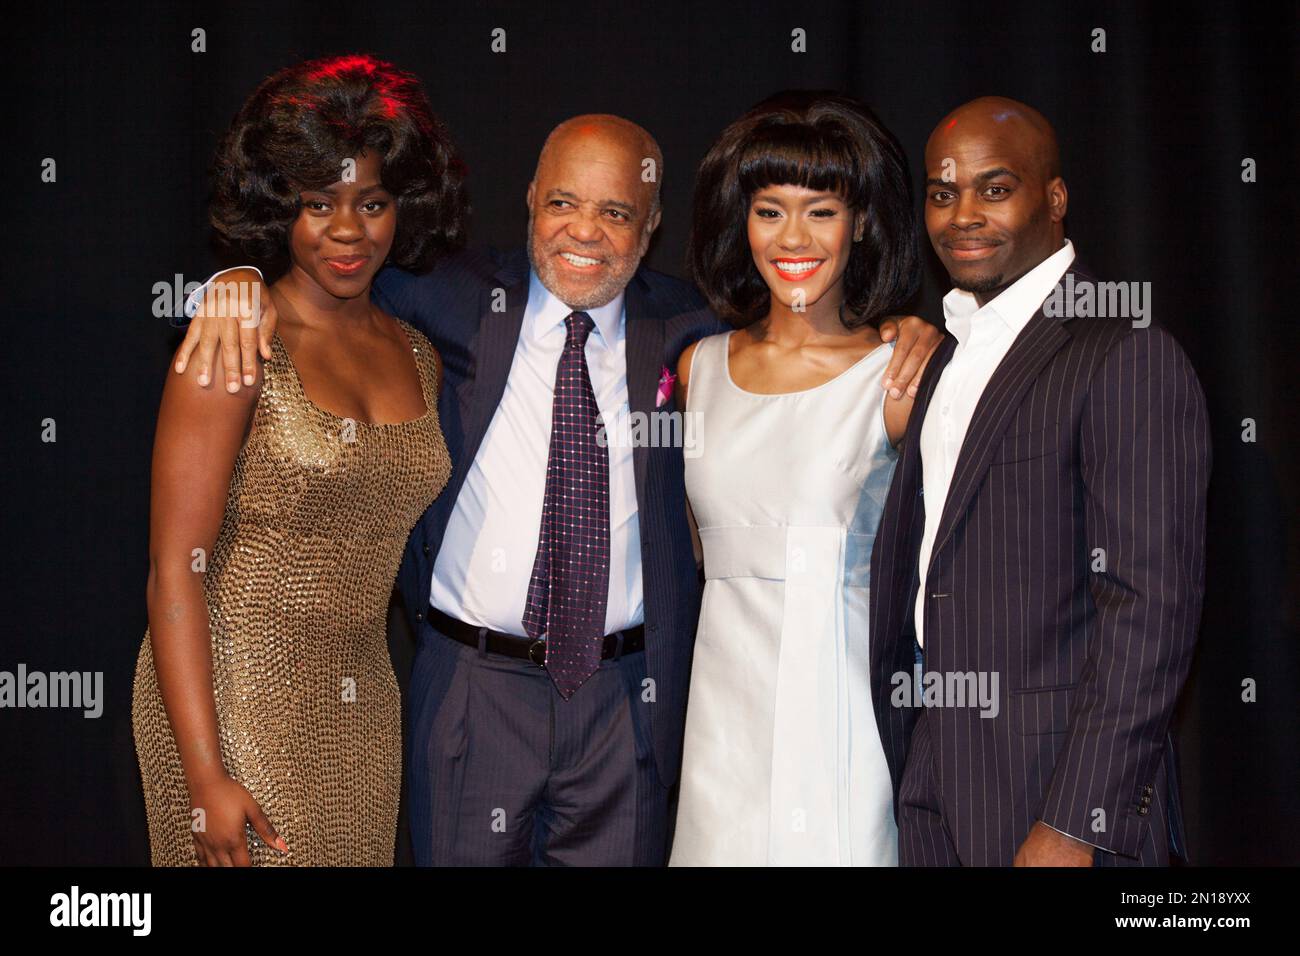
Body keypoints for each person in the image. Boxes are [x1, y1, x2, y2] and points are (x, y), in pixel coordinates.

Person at [175, 111, 942, 866]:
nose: (585, 232)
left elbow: (802, 329)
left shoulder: (689, 327)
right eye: (565, 204)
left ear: (650, 229)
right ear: (532, 200)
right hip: (470, 690)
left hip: (626, 703)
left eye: (616, 213)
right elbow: (329, 271)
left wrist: (904, 328)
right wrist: (235, 279)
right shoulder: (451, 296)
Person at [131, 54, 460, 866]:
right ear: (280, 208)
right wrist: (206, 774)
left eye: (372, 203)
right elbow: (175, 566)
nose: (348, 231)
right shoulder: (236, 338)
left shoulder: (418, 354)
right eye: (319, 204)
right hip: (229, 691)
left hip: (363, 700)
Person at [868, 96, 1211, 866]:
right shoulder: (946, 358)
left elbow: (1150, 611)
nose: (963, 215)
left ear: (1053, 199)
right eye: (943, 191)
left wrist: (1076, 821)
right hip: (933, 773)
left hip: (1055, 793)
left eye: (995, 189)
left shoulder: (1124, 353)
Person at [668, 92, 926, 865]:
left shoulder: (902, 376)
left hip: (846, 721)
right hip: (721, 724)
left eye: (821, 211)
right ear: (740, 222)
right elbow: (694, 559)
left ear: (861, 224)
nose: (794, 238)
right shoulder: (696, 369)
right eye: (770, 210)